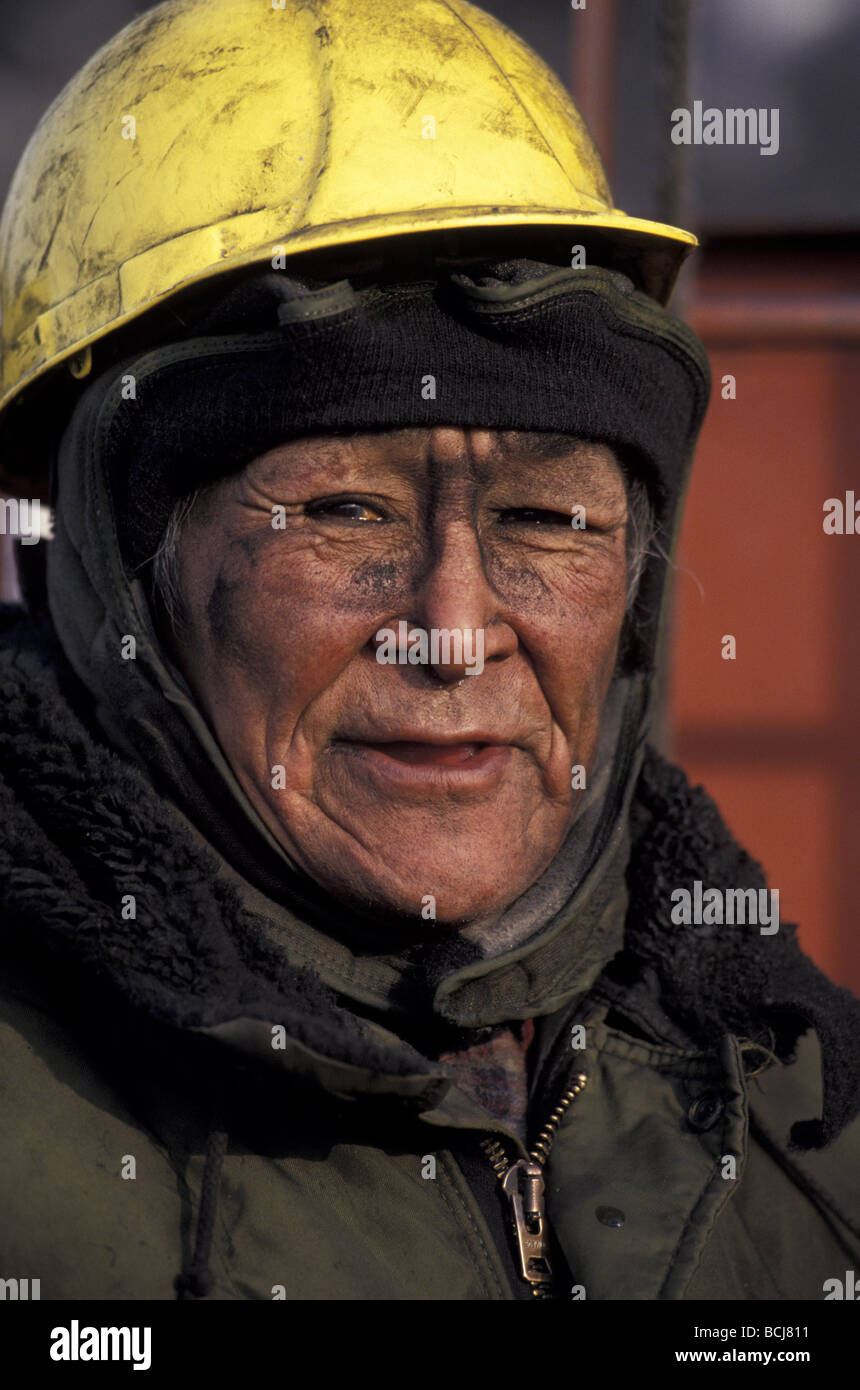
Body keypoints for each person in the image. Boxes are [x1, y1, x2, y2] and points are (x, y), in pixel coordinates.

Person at [0, 0, 857, 1302]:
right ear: (111, 571)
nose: (452, 629)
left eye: (545, 518)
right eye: (343, 511)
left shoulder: (790, 1085)